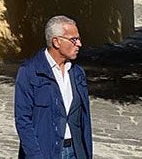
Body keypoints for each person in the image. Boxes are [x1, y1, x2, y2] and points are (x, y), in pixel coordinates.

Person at [15, 15, 92, 159]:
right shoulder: (30, 72)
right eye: (74, 40)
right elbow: (23, 121)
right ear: (56, 42)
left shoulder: (77, 73)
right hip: (45, 152)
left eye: (79, 39)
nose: (79, 44)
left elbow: (84, 120)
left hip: (76, 151)